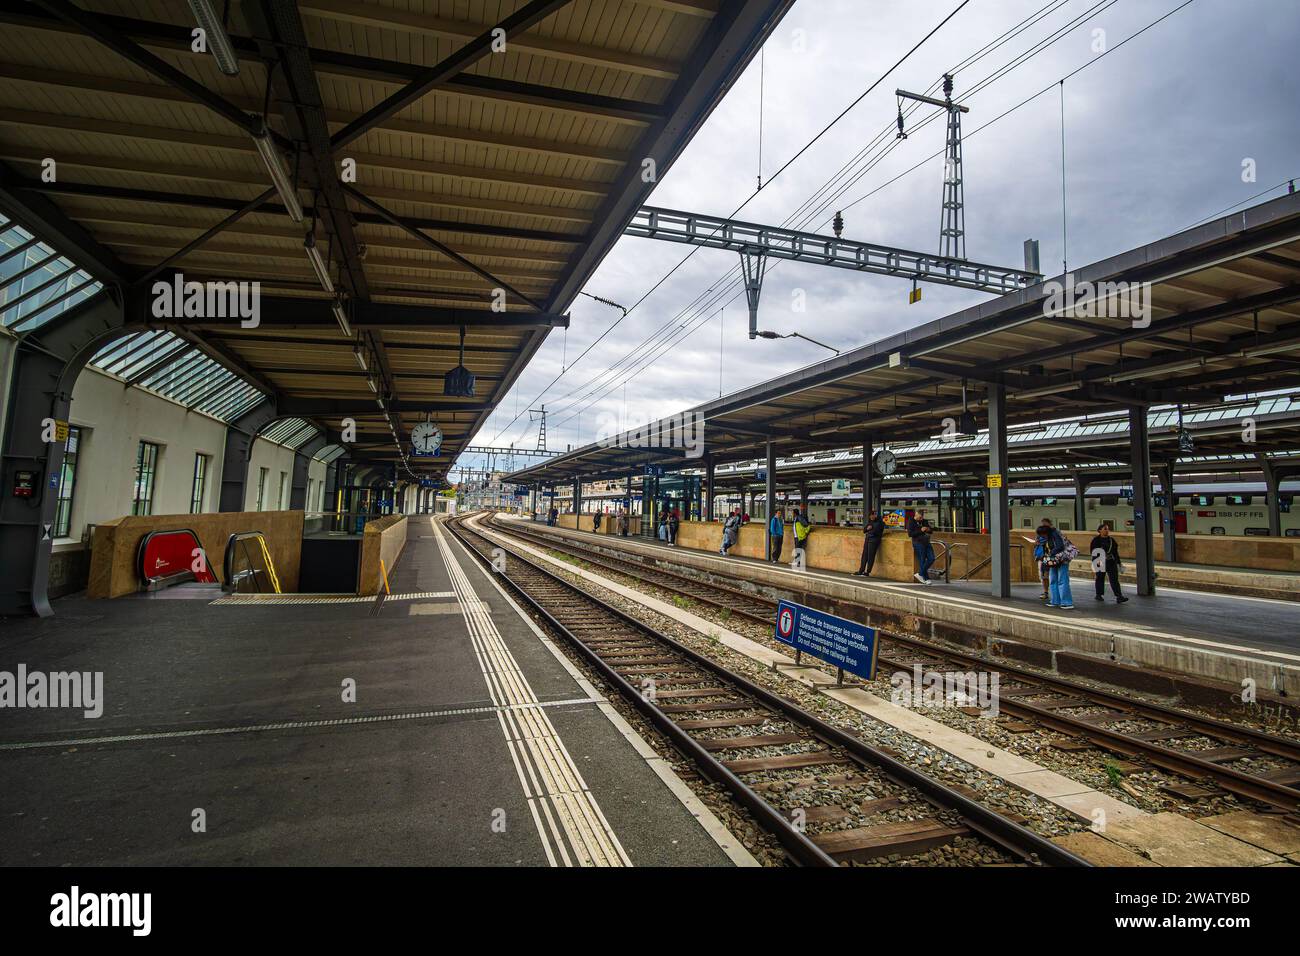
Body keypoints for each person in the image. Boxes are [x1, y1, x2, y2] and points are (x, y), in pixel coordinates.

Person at [1040, 519, 1076, 609]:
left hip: (1061, 559)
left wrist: (1051, 553)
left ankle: (1067, 602)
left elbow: (1060, 546)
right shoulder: (1048, 536)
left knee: (1062, 580)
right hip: (1054, 560)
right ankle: (1055, 600)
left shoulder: (1055, 533)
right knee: (1053, 580)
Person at [1090, 523, 1129, 603]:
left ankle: (1119, 596)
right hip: (1100, 561)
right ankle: (1099, 594)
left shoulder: (1111, 540)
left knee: (1114, 579)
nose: (1107, 531)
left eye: (1107, 529)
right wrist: (1095, 562)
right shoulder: (1096, 540)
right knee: (1100, 578)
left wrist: (1119, 562)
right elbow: (1093, 552)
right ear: (1100, 530)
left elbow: (1115, 552)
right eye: (1105, 529)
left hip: (1111, 561)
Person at [855, 510, 885, 576]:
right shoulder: (871, 522)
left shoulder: (880, 522)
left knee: (870, 556)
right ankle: (861, 570)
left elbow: (876, 532)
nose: (871, 517)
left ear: (875, 515)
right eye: (870, 516)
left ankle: (868, 571)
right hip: (868, 539)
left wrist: (870, 529)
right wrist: (868, 529)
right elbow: (864, 530)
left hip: (874, 540)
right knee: (864, 555)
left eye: (872, 515)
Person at [906, 513, 929, 584]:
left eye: (922, 517)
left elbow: (931, 530)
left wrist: (928, 529)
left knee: (931, 558)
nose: (921, 519)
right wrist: (921, 531)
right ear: (916, 516)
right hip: (918, 542)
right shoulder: (911, 521)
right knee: (922, 559)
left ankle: (920, 574)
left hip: (926, 542)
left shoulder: (924, 521)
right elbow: (910, 534)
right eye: (920, 517)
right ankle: (926, 578)